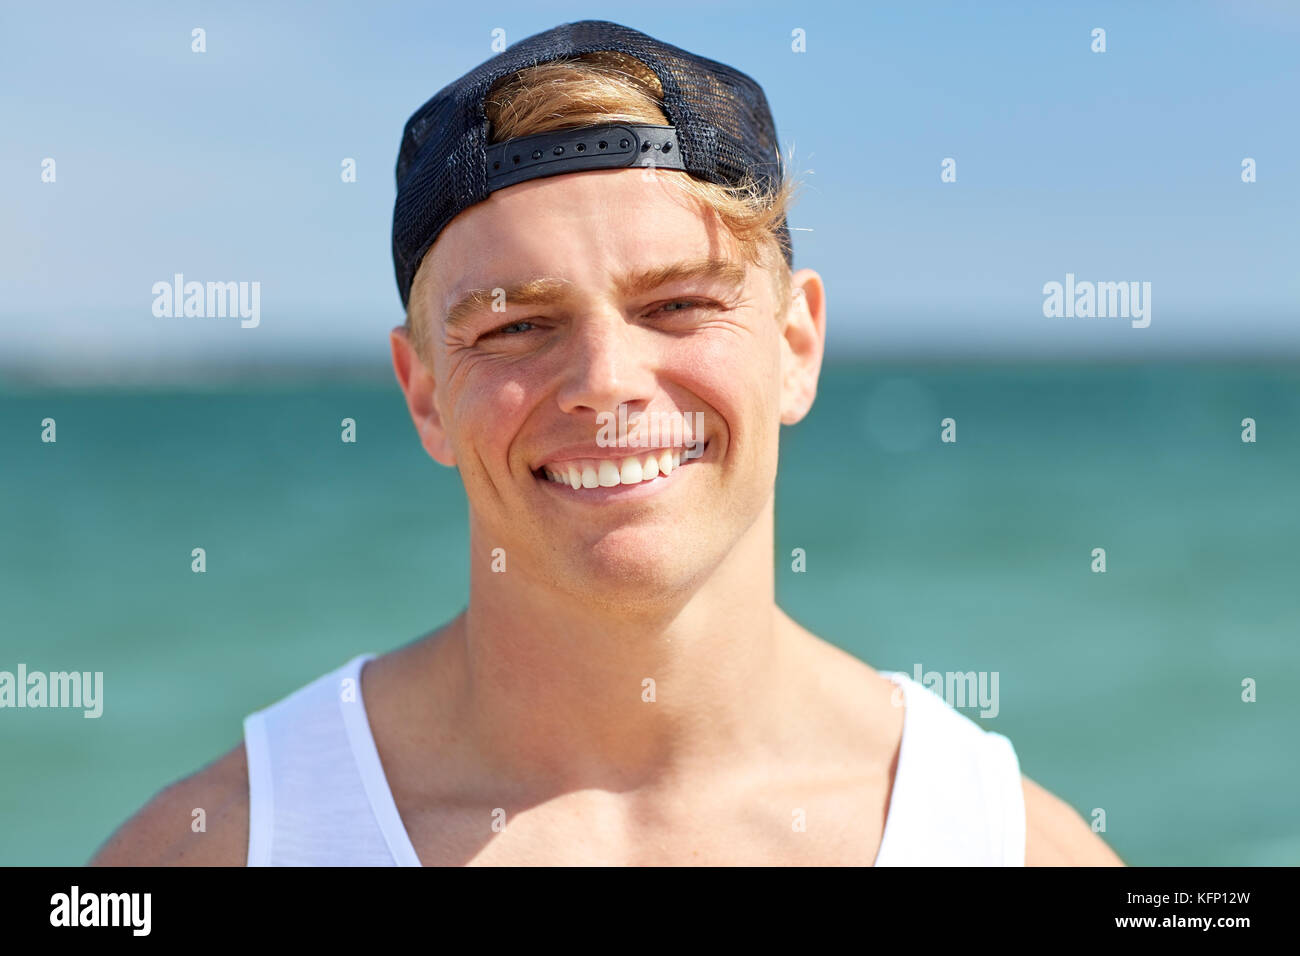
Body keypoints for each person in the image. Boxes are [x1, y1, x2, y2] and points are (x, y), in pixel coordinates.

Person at [91, 19, 1123, 866]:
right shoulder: (226, 843)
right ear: (423, 394)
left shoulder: (997, 840)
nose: (605, 382)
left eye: (676, 302)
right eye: (515, 325)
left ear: (796, 344)